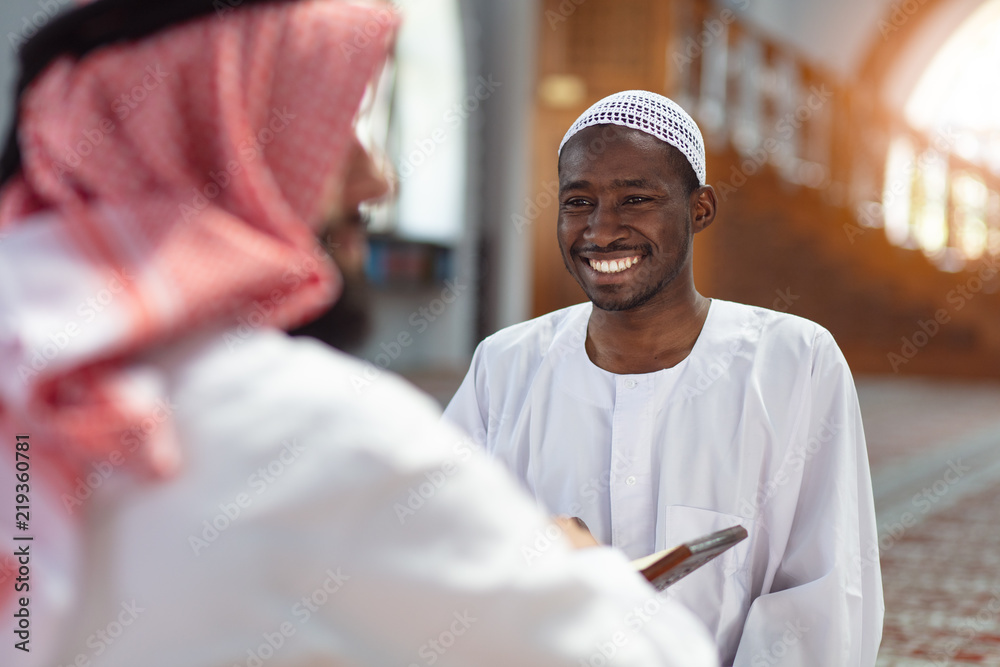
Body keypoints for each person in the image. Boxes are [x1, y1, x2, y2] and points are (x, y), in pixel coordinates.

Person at [0, 3, 722, 666]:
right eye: (334, 124)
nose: (375, 181)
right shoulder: (307, 433)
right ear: (224, 135)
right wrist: (565, 568)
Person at [444, 90, 884, 666]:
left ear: (699, 209)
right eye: (579, 201)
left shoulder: (793, 361)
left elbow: (824, 594)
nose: (602, 231)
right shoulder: (505, 366)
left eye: (635, 198)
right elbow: (442, 549)